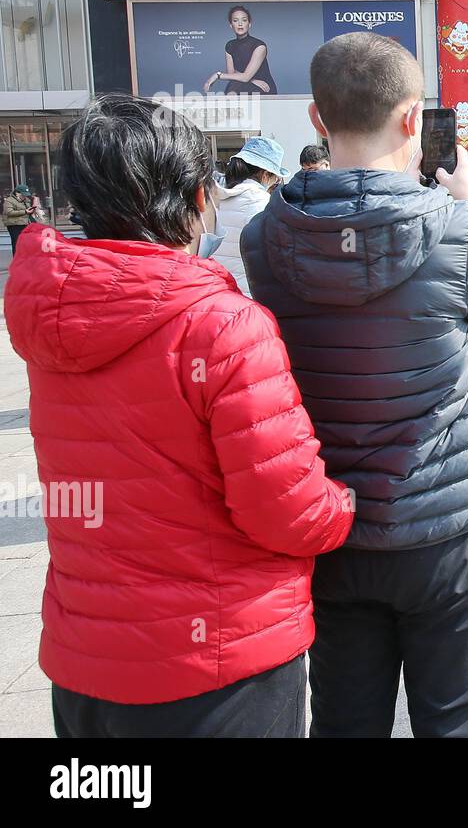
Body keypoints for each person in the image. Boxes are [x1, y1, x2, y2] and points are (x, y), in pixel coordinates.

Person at [3, 95, 353, 738]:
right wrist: (346, 506)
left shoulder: (51, 310)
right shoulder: (222, 325)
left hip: (87, 664)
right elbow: (287, 509)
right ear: (197, 198)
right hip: (214, 671)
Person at [241, 32, 468, 737]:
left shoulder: (266, 236)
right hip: (445, 524)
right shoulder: (455, 228)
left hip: (330, 522)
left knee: (347, 721)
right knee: (457, 719)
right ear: (413, 120)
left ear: (318, 121)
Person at [212, 136, 291, 295]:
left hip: (218, 290)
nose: (275, 181)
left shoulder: (219, 198)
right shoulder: (261, 202)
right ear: (264, 174)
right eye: (274, 176)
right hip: (247, 294)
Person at [203, 5, 278, 95]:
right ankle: (230, 108)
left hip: (264, 87)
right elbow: (232, 74)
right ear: (231, 25)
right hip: (247, 83)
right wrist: (252, 80)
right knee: (234, 84)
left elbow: (245, 77)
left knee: (235, 87)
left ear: (249, 24)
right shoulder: (230, 46)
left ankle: (230, 108)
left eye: (244, 20)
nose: (240, 24)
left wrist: (217, 75)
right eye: (235, 20)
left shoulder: (259, 46)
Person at [3, 184, 35, 250]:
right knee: (16, 243)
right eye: (23, 194)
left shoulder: (26, 200)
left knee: (26, 243)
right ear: (17, 193)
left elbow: (27, 210)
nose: (24, 196)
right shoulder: (9, 201)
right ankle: (16, 258)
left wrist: (31, 210)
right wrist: (25, 211)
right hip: (14, 225)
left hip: (25, 224)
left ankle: (24, 258)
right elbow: (9, 212)